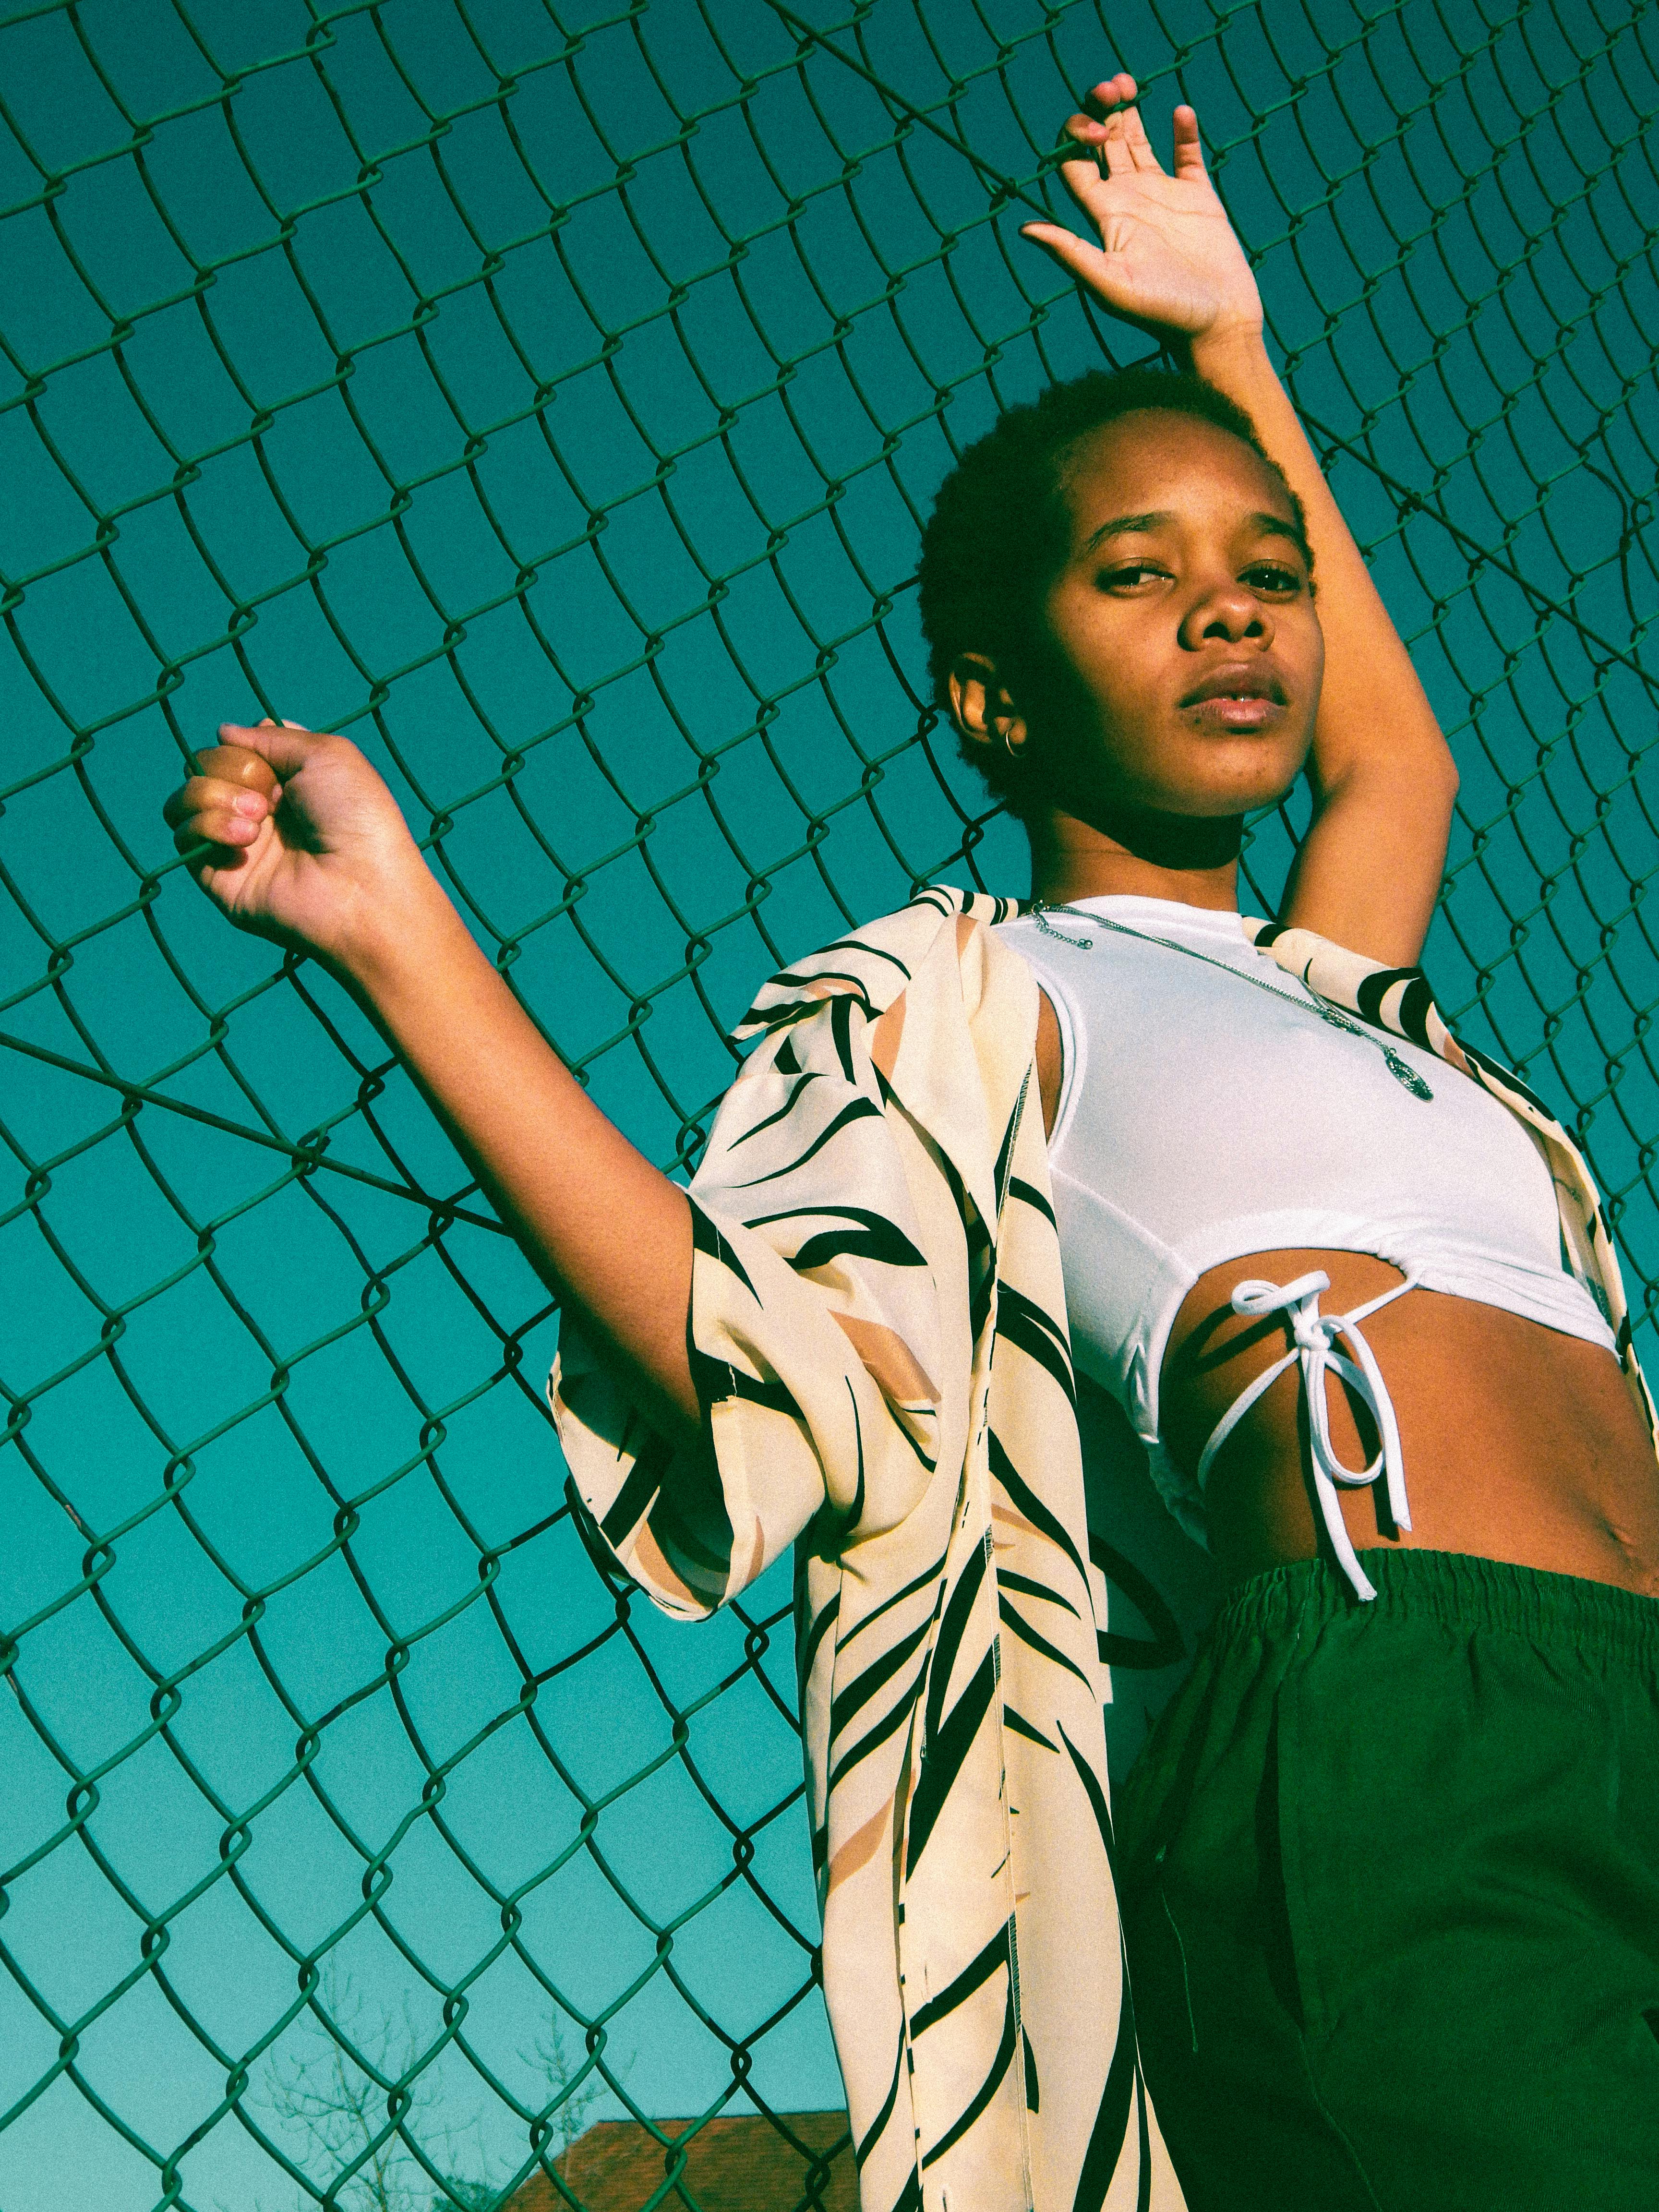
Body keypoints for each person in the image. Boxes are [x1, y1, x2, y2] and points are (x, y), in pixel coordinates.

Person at [162, 76, 1659, 2212]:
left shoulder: (1345, 979)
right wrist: (398, 935)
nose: (1232, 613)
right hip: (1389, 1706)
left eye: (1264, 576)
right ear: (995, 701)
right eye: (1139, 578)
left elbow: (1399, 756)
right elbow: (748, 1355)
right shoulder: (965, 999)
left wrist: (1228, 347)